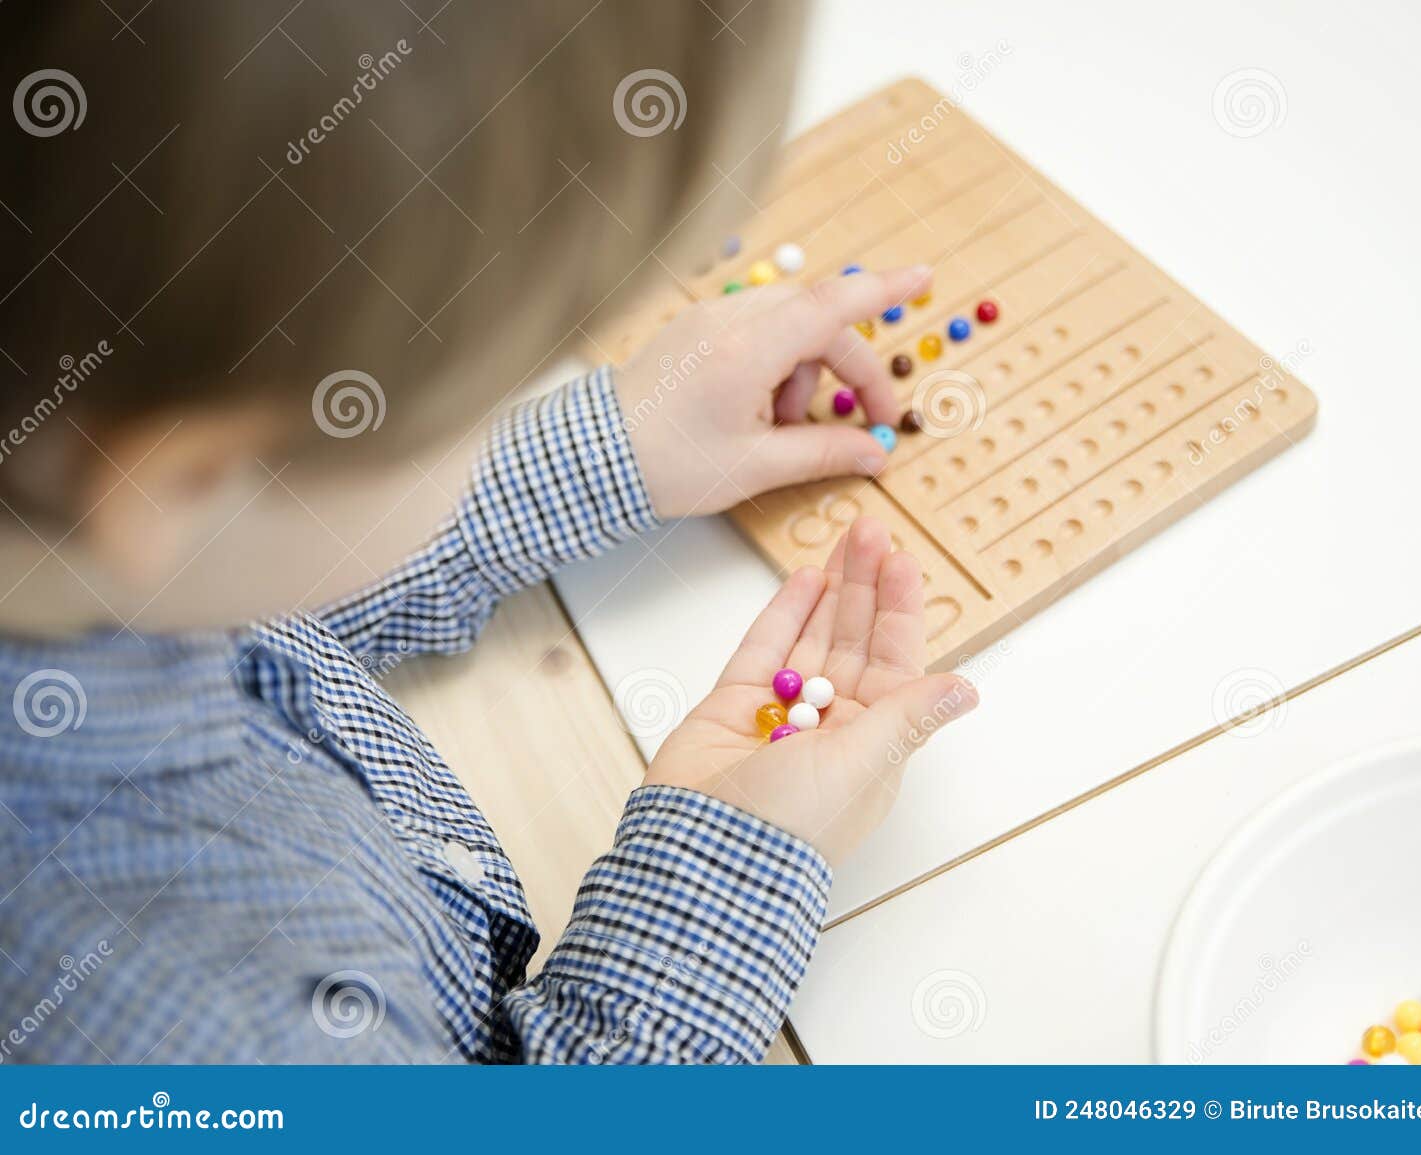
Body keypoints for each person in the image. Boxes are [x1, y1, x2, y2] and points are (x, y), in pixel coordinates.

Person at [0, 1, 978, 1062]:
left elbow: (231, 583)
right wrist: (729, 870)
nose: (504, 409)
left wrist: (609, 446)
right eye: (481, 404)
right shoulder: (211, 1040)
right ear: (181, 476)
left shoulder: (72, 546)